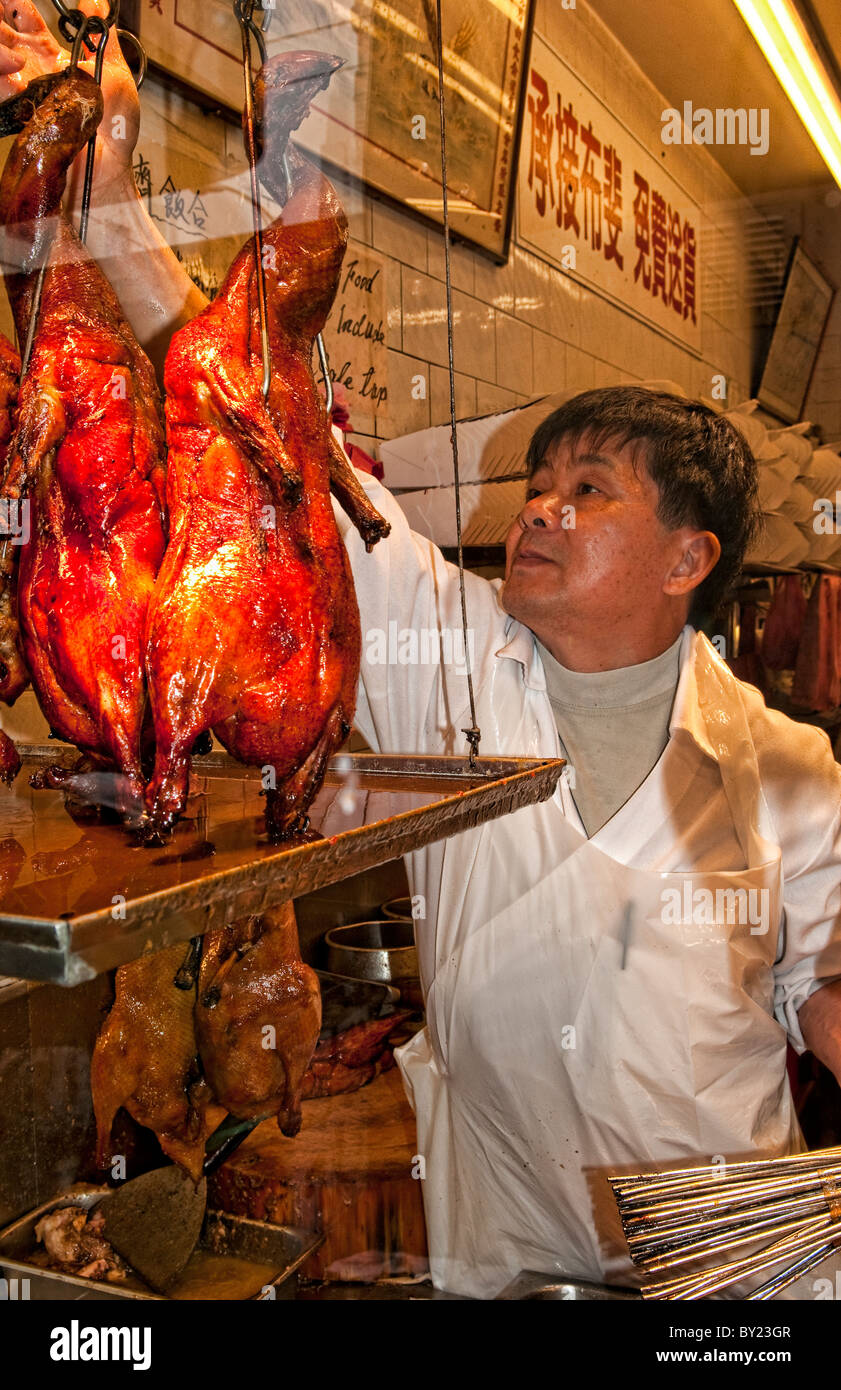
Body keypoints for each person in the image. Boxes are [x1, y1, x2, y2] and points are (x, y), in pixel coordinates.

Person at [2, 2, 840, 1301]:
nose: (541, 512)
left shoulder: (787, 764)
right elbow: (235, 378)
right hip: (499, 1260)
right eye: (541, 483)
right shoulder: (448, 641)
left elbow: (825, 991)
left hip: (733, 1278)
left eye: (591, 493)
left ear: (691, 559)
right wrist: (107, 177)